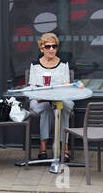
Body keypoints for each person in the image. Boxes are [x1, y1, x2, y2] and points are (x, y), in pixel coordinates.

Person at [27, 32, 73, 160]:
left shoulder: (63, 63)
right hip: (40, 99)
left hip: (59, 98)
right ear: (42, 48)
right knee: (46, 108)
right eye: (48, 46)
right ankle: (43, 147)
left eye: (54, 46)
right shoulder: (35, 65)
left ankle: (65, 147)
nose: (51, 49)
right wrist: (41, 96)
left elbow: (66, 85)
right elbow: (32, 87)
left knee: (63, 108)